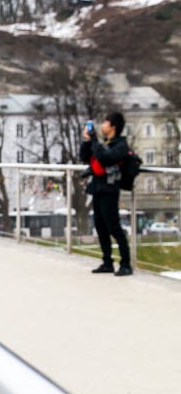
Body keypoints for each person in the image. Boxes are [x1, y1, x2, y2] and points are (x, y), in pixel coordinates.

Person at [80, 111, 132, 276]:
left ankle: (125, 264)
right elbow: (85, 157)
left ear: (113, 126)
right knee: (101, 227)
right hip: (97, 189)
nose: (102, 125)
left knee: (114, 227)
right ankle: (107, 262)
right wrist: (87, 141)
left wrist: (95, 140)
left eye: (105, 122)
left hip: (109, 190)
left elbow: (105, 158)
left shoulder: (120, 145)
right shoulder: (105, 143)